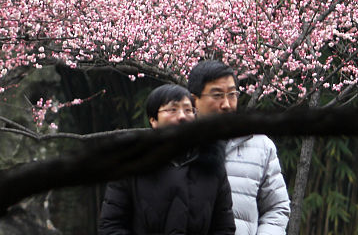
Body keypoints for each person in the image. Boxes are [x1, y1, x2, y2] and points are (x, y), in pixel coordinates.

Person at [98, 83, 236, 235]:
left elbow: (224, 227)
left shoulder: (212, 165)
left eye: (188, 110)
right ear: (153, 120)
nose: (182, 116)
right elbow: (111, 226)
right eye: (172, 109)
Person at [188, 61, 290, 235]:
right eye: (217, 95)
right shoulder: (174, 144)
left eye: (232, 94)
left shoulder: (260, 145)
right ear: (194, 100)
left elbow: (277, 207)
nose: (227, 104)